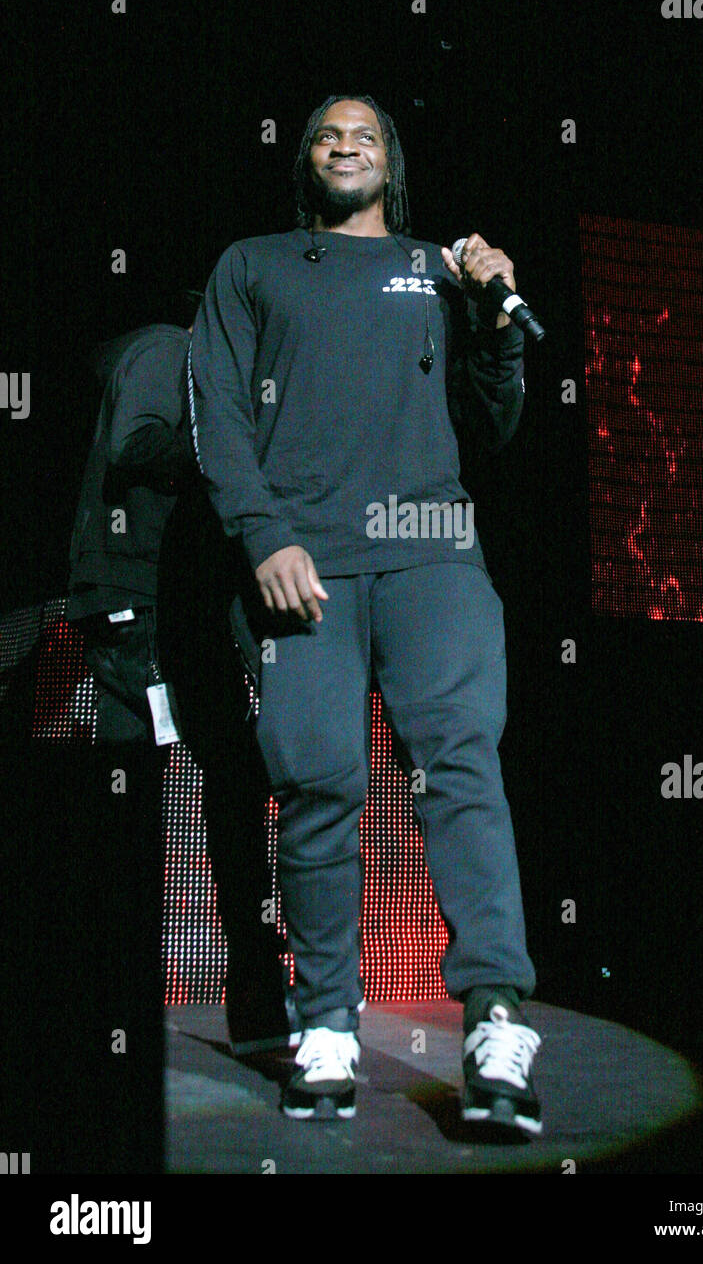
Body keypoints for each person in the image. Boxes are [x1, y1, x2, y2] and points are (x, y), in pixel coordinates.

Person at [189, 95, 542, 1132]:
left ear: (391, 163)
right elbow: (212, 408)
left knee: (462, 763)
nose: (345, 143)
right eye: (326, 133)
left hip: (432, 551)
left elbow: (493, 421)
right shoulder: (252, 264)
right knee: (318, 784)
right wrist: (261, 536)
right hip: (307, 562)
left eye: (365, 133)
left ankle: (491, 1020)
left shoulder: (440, 266)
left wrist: (492, 316)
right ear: (304, 161)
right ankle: (327, 1023)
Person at [67, 307, 295, 1062]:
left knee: (206, 776)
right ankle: (251, 993)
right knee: (204, 776)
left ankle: (248, 993)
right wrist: (227, 450)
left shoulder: (186, 363)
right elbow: (137, 444)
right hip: (144, 599)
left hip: (162, 598)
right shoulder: (170, 352)